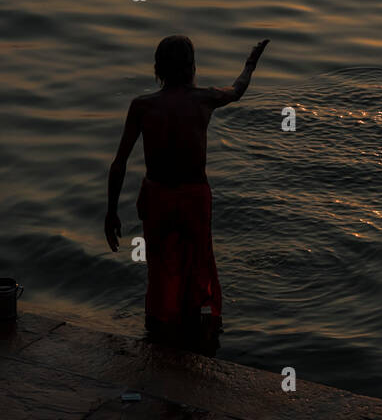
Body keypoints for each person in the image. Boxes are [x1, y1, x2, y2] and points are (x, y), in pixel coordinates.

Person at [104, 36, 269, 341]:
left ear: (158, 69)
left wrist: (111, 211)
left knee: (161, 265)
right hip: (194, 197)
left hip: (158, 197)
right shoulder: (204, 98)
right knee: (199, 261)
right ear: (192, 67)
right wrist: (250, 63)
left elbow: (119, 163)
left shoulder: (142, 106)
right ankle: (201, 329)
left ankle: (159, 331)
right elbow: (238, 89)